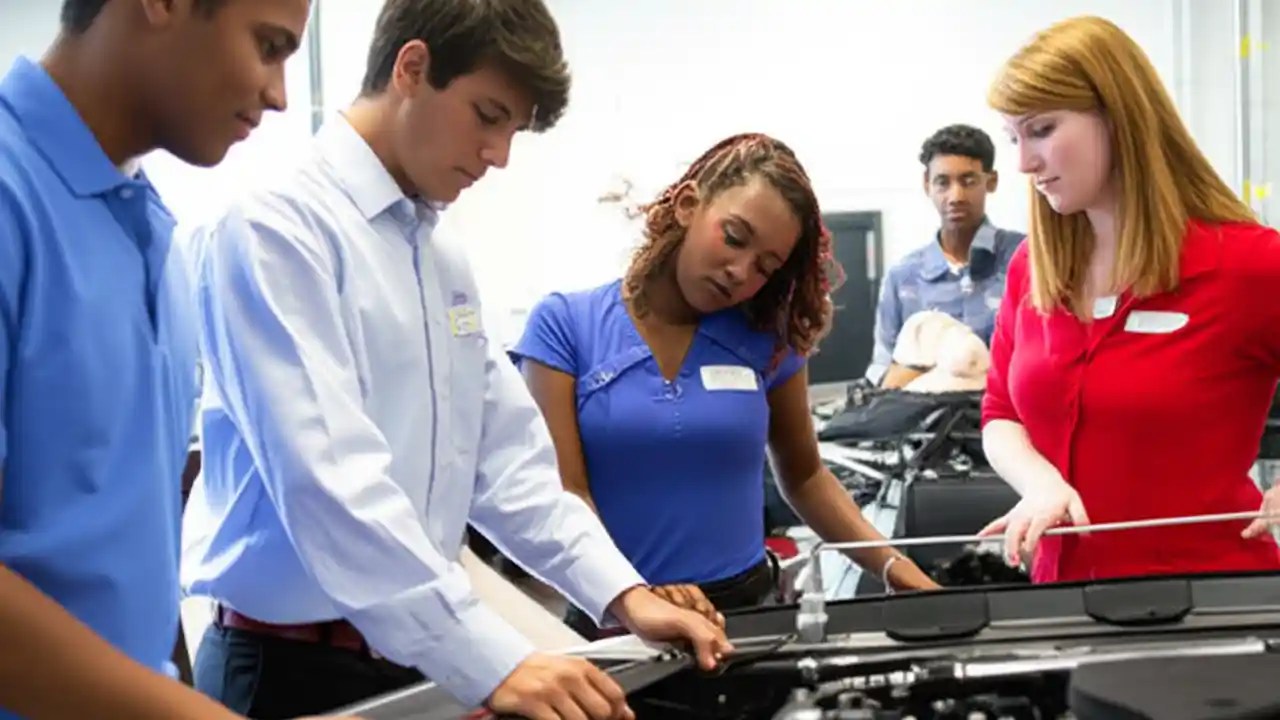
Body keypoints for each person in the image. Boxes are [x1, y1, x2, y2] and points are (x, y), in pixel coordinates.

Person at [179, 1, 731, 718]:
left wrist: (623, 594)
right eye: (488, 116)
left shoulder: (438, 252)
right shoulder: (275, 228)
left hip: (410, 656)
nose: (499, 155)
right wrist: (495, 659)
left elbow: (507, 462)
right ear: (412, 68)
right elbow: (331, 485)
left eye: (513, 131)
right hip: (288, 671)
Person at [0, 1, 334, 719]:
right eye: (269, 46)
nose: (280, 94)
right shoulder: (12, 199)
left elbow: (125, 583)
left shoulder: (153, 234)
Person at [510, 132, 940, 639]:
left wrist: (898, 570)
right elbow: (566, 493)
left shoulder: (768, 339)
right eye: (734, 238)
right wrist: (633, 594)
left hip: (746, 622)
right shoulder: (565, 326)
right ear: (688, 205)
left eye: (765, 267)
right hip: (614, 624)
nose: (740, 272)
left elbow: (805, 477)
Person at [976, 15, 1280, 583]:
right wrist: (1041, 484)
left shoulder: (1250, 263)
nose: (1024, 163)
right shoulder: (1032, 269)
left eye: (1042, 130)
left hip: (1210, 603)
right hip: (1062, 599)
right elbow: (1000, 413)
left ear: (1119, 117)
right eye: (1014, 138)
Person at [868, 124, 1024, 388]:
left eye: (968, 181)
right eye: (943, 182)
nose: (955, 196)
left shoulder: (1025, 259)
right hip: (925, 412)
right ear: (927, 184)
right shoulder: (902, 278)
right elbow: (884, 373)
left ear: (991, 181)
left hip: (1007, 409)